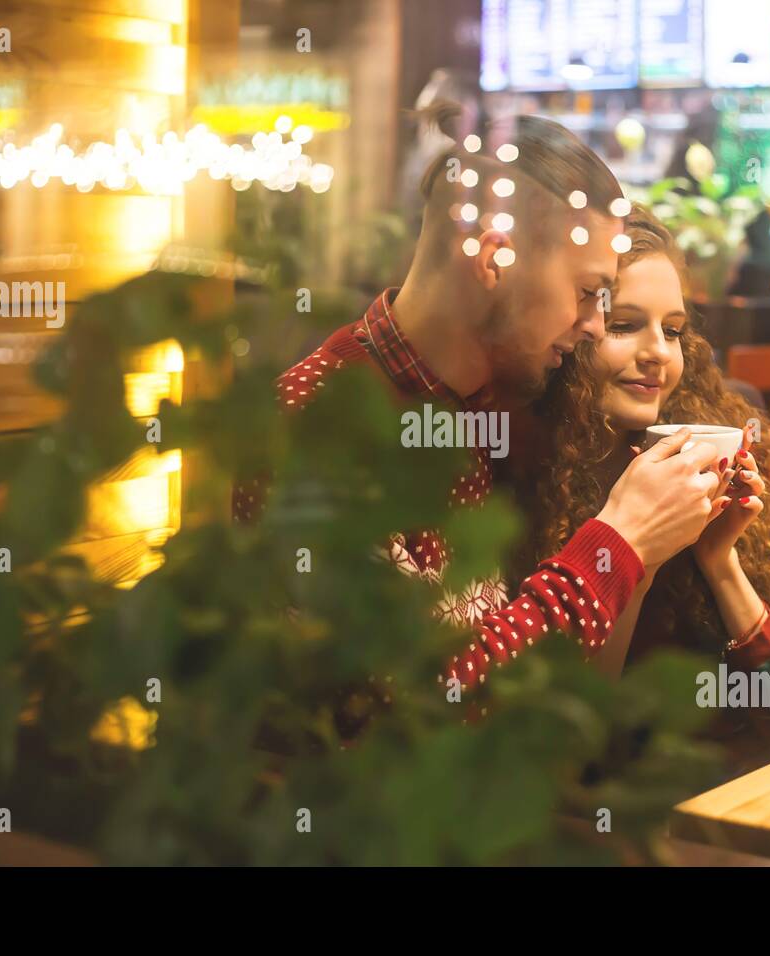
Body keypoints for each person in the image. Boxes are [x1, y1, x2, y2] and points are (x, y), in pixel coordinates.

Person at [236, 102, 733, 696]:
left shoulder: (476, 406)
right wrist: (619, 541)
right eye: (587, 292)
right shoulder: (314, 428)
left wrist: (646, 547)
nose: (595, 327)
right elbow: (417, 715)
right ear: (494, 259)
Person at [519, 204, 770, 762]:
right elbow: (568, 754)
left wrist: (721, 564)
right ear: (570, 332)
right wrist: (632, 552)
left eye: (671, 331)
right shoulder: (522, 479)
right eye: (623, 325)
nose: (656, 354)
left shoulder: (735, 457)